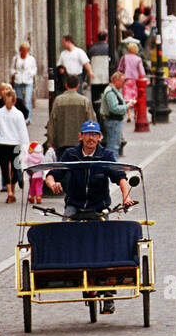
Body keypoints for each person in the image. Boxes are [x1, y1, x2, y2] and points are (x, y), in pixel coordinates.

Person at [44, 122, 136, 314]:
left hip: (99, 206)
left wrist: (126, 197)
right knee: (63, 236)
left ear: (100, 137)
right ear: (80, 136)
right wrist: (52, 184)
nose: (91, 138)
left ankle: (109, 295)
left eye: (95, 134)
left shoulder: (106, 155)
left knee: (108, 246)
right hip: (74, 205)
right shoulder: (71, 154)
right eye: (87, 134)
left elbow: (121, 178)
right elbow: (52, 174)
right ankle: (71, 274)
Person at [0, 86, 29, 204]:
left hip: (2, 142)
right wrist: (25, 146)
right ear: (14, 101)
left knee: (4, 167)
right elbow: (22, 131)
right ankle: (12, 190)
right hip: (15, 143)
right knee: (15, 167)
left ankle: (8, 191)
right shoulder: (18, 114)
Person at [47, 73, 96, 154]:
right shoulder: (84, 101)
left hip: (62, 142)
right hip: (81, 143)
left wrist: (50, 141)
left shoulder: (58, 100)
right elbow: (91, 121)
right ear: (78, 86)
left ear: (66, 85)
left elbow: (52, 123)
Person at [99, 71, 129, 159]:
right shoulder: (110, 92)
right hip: (113, 121)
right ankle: (112, 165)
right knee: (113, 145)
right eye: (122, 81)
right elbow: (114, 108)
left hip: (114, 121)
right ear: (116, 80)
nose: (123, 84)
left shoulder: (114, 91)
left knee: (114, 144)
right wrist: (127, 106)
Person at [10, 43, 37, 122]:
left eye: (26, 51)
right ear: (20, 50)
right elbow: (12, 69)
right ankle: (20, 117)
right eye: (22, 50)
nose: (24, 52)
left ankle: (28, 117)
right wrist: (14, 73)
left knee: (27, 100)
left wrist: (31, 74)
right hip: (18, 81)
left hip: (28, 81)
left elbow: (34, 69)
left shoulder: (31, 59)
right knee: (19, 100)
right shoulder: (15, 58)